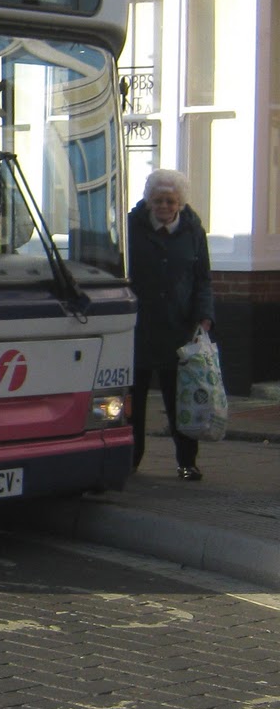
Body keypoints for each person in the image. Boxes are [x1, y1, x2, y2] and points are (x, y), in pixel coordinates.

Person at [127, 168, 214, 480]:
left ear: (180, 203)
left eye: (170, 201)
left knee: (181, 400)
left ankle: (187, 462)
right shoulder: (131, 227)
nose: (164, 206)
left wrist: (204, 316)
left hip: (178, 328)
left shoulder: (192, 231)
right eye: (158, 200)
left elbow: (202, 278)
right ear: (148, 201)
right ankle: (131, 460)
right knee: (133, 402)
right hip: (137, 328)